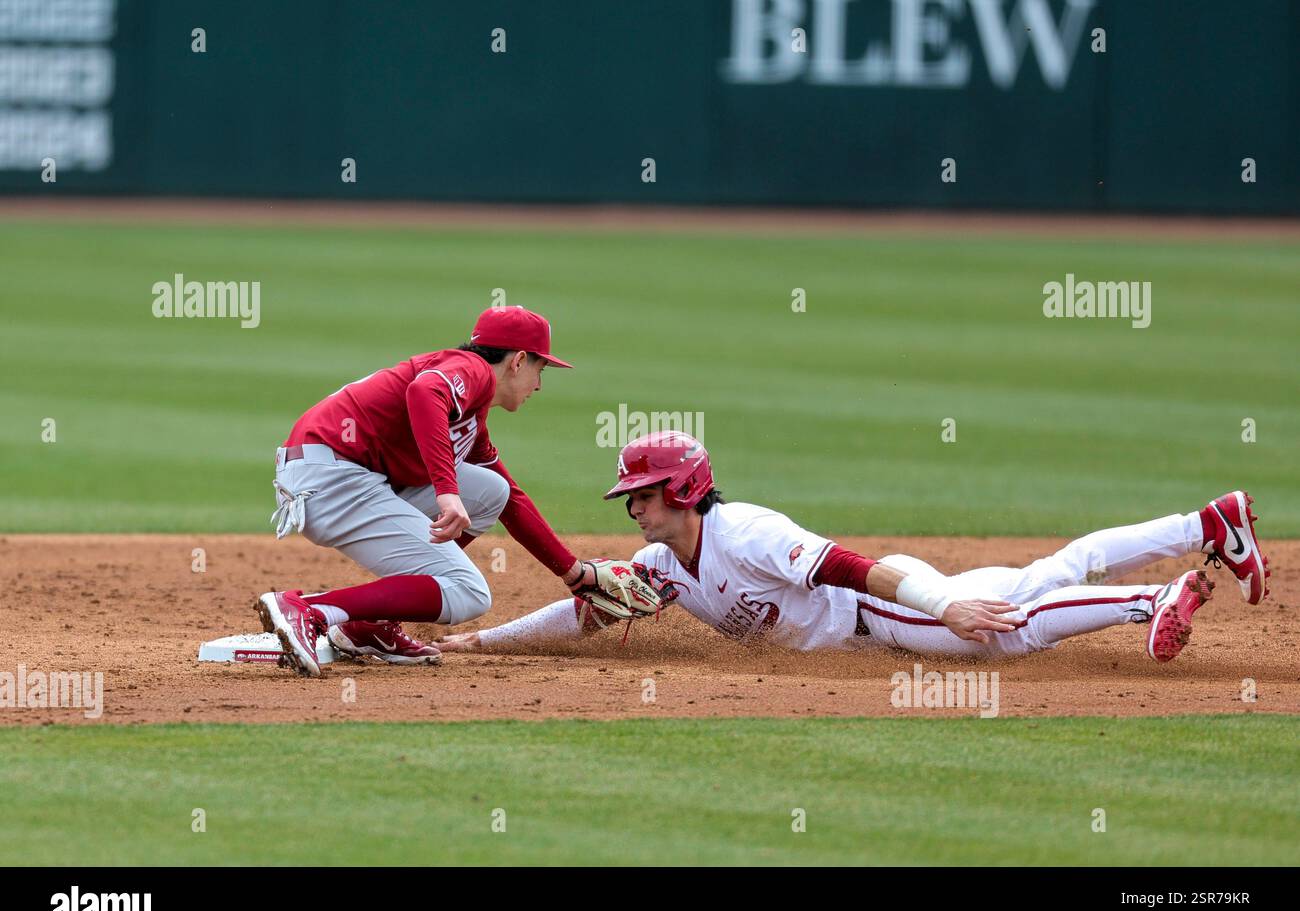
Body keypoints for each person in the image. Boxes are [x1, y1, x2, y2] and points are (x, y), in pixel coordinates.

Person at [435, 431, 1269, 661]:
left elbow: (850, 567)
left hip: (883, 608)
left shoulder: (747, 530)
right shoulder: (662, 567)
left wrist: (940, 604)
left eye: (643, 496)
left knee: (1006, 629)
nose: (632, 511)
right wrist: (483, 638)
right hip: (887, 603)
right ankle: (1208, 526)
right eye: (629, 498)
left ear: (684, 491)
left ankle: (1147, 602)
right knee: (1050, 571)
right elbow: (581, 615)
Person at [253, 305, 603, 676]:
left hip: (342, 476)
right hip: (331, 480)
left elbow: (511, 500)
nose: (539, 384)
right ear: (518, 361)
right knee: (469, 593)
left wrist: (576, 574)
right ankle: (310, 610)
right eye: (540, 368)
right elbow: (425, 391)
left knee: (491, 491)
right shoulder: (473, 371)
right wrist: (446, 491)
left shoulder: (470, 413)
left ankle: (369, 626)